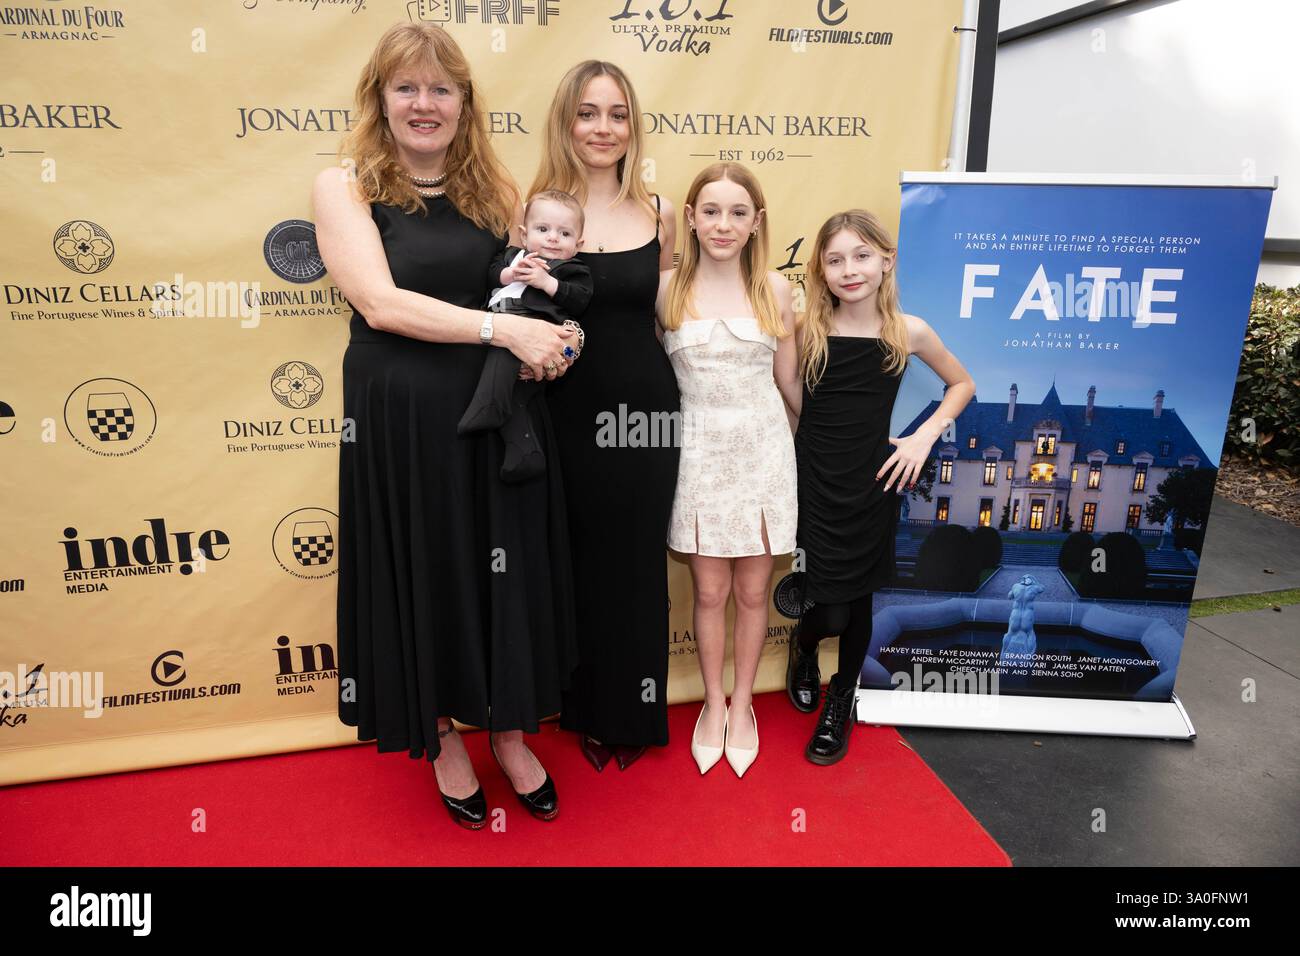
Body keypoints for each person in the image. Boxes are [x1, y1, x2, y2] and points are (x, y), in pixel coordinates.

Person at [313, 22, 581, 828]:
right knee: (422, 565)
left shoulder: (494, 187)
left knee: (495, 570)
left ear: (464, 103)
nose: (423, 104)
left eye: (441, 89)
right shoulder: (343, 185)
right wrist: (507, 334)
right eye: (407, 88)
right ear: (380, 100)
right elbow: (381, 304)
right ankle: (440, 737)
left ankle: (505, 727)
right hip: (399, 413)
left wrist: (559, 335)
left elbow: (525, 292)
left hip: (488, 413)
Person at [531, 60, 680, 773]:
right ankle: (582, 707)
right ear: (567, 121)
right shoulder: (531, 209)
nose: (603, 127)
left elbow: (672, 313)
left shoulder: (661, 214)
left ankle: (633, 710)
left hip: (645, 412)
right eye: (588, 113)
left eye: (617, 113)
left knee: (636, 560)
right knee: (575, 558)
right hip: (560, 406)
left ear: (633, 125)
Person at [785, 209, 975, 765]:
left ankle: (840, 699)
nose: (850, 270)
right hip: (815, 479)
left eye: (862, 256)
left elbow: (961, 384)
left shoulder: (908, 330)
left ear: (886, 261)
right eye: (836, 259)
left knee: (860, 599)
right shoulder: (808, 328)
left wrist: (922, 438)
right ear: (820, 269)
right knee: (832, 609)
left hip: (875, 480)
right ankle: (803, 643)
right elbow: (791, 395)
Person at [656, 162, 799, 779]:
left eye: (738, 212)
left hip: (764, 454)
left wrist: (804, 446)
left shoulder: (778, 290)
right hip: (697, 457)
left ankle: (744, 705)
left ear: (756, 223)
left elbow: (789, 383)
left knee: (750, 591)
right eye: (710, 211)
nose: (723, 224)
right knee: (710, 590)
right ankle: (712, 705)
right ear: (690, 218)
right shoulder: (664, 290)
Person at [458, 189, 592, 483]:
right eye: (543, 229)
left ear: (578, 243)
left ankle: (487, 406)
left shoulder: (572, 269)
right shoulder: (511, 257)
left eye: (565, 233)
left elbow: (580, 299)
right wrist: (510, 273)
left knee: (504, 359)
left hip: (534, 331)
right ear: (524, 232)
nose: (553, 238)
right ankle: (525, 453)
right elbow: (491, 274)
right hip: (497, 327)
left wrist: (548, 282)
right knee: (517, 403)